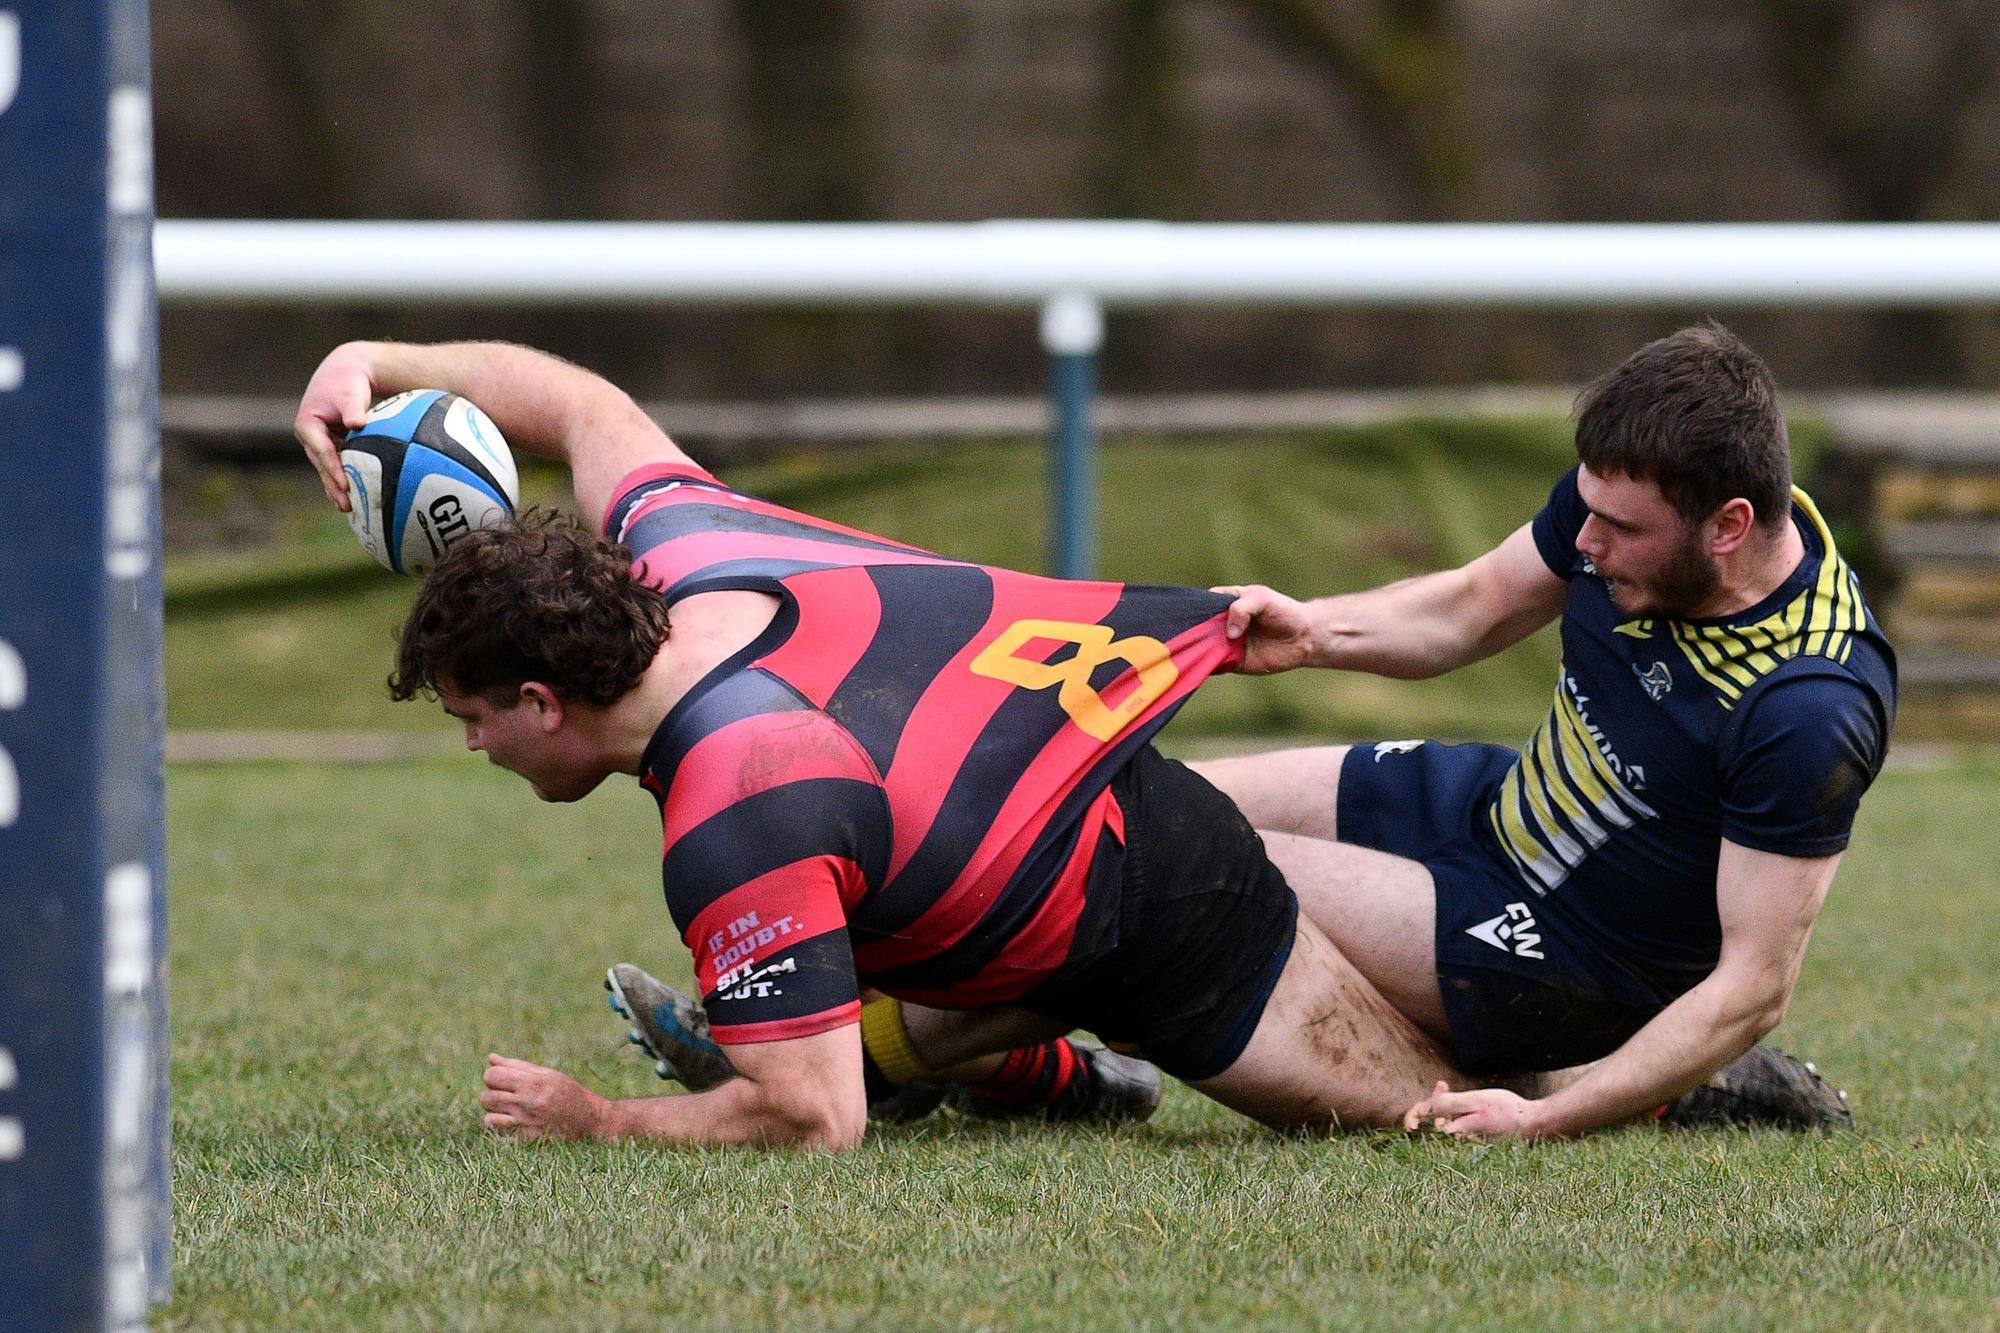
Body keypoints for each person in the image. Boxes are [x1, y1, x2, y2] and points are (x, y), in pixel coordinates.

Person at [294, 338, 1478, 1150]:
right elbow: (585, 407)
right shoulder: (684, 546)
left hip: (1164, 916)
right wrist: (379, 364)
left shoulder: (736, 801)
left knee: (1451, 1110)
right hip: (1071, 810)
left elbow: (813, 1121)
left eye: (473, 718)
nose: (472, 748)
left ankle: (1625, 1070)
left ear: (545, 701)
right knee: (889, 910)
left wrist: (596, 1118)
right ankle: (1045, 1076)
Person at [1188, 324, 1893, 1139]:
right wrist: (1308, 630)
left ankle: (1056, 1073)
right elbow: (1472, 605)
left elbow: (1755, 985)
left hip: (1568, 953)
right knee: (1142, 802)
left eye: (1620, 530)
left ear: (1729, 526)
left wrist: (1545, 1119)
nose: (1587, 545)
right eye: (1588, 512)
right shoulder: (1634, 493)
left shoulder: (1808, 705)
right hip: (1493, 808)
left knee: (1191, 861)